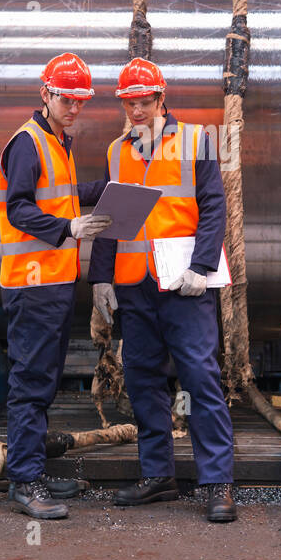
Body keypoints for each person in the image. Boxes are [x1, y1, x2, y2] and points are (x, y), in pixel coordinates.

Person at [88, 57, 237, 522]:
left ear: (160, 97)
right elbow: (110, 219)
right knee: (142, 380)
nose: (136, 108)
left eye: (143, 100)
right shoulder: (118, 151)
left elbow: (214, 205)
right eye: (129, 101)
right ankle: (158, 476)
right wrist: (100, 277)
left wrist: (202, 265)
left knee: (200, 379)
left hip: (185, 286)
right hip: (136, 287)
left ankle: (216, 484)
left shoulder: (196, 140)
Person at [0, 53, 111, 519]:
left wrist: (108, 188)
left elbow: (58, 194)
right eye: (67, 99)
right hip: (32, 285)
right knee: (30, 382)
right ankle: (23, 482)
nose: (74, 108)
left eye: (80, 100)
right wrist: (70, 229)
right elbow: (20, 208)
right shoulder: (27, 143)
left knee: (44, 382)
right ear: (46, 94)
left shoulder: (57, 141)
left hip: (55, 284)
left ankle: (34, 470)